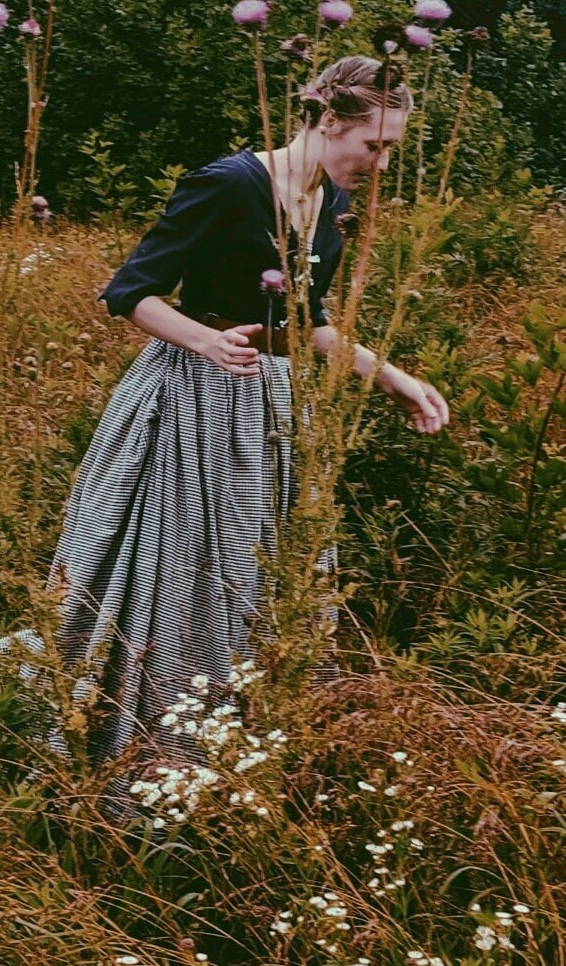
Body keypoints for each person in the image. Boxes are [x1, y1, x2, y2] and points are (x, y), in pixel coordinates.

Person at [45, 54, 449, 771]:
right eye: (374, 144)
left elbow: (311, 324)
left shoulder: (333, 203)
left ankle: (251, 747)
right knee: (178, 573)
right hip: (189, 402)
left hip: (268, 410)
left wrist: (394, 377)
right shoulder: (231, 182)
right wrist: (205, 339)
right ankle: (146, 752)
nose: (381, 163)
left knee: (263, 575)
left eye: (392, 149)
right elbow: (128, 290)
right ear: (330, 121)